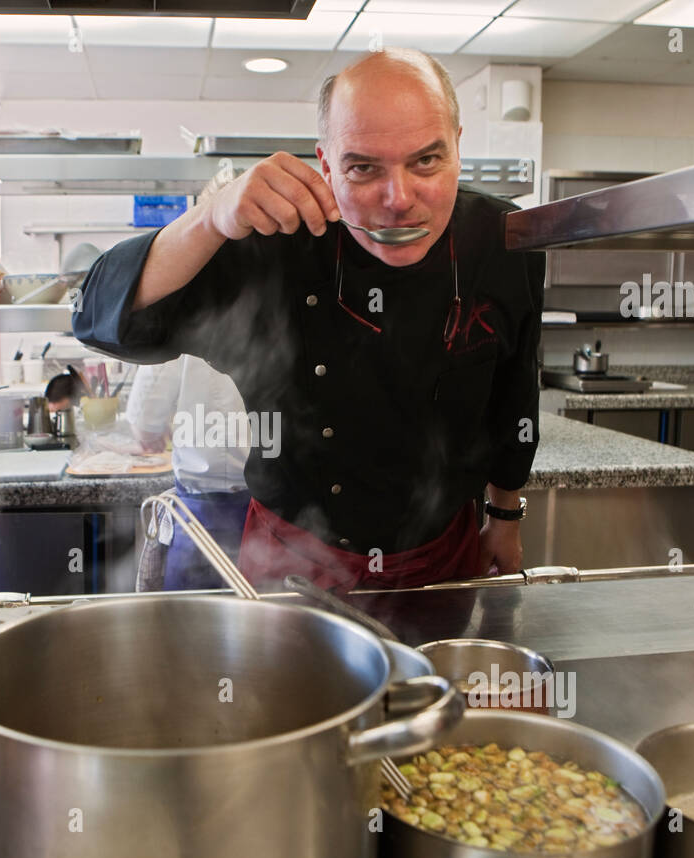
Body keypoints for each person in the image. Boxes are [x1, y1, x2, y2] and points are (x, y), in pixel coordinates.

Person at [74, 48, 544, 592]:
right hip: (292, 564)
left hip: (441, 557)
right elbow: (100, 316)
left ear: (458, 147)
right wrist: (211, 217)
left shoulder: (504, 238)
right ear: (325, 164)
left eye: (426, 161)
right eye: (363, 167)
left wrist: (505, 516)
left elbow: (515, 399)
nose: (399, 200)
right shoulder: (278, 241)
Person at [127, 355, 252, 590]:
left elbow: (145, 415)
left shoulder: (181, 319)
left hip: (201, 521)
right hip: (276, 518)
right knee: (270, 621)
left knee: (190, 623)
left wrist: (151, 432)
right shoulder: (290, 318)